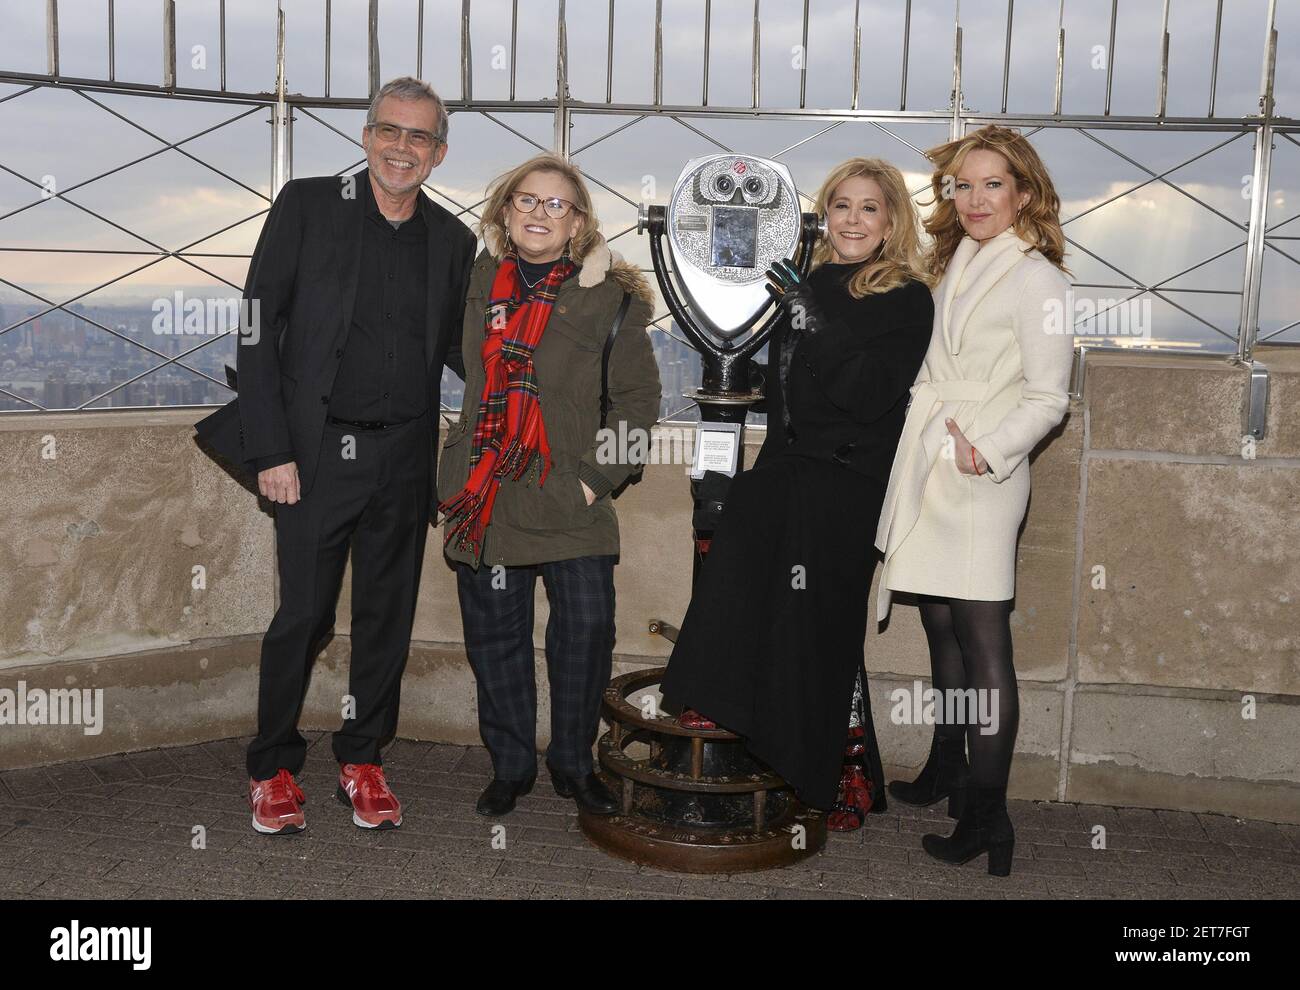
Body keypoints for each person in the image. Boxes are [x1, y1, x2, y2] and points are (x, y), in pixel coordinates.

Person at [195, 77, 476, 835]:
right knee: (303, 617)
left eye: (420, 138)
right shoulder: (308, 206)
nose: (402, 147)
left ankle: (362, 758)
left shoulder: (454, 241)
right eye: (390, 130)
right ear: (366, 135)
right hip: (313, 455)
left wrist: (542, 374)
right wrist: (271, 451)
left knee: (388, 618)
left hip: (404, 460)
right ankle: (274, 767)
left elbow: (461, 350)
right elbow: (257, 329)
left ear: (439, 153)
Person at [658, 158, 935, 822]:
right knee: (759, 603)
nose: (853, 220)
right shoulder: (805, 286)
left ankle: (832, 779)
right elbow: (786, 383)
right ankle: (725, 713)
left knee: (822, 631)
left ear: (892, 220)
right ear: (822, 216)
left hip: (844, 482)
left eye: (870, 208)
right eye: (841, 206)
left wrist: (806, 312)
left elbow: (864, 393)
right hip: (788, 473)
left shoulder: (906, 297)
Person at [436, 153, 662, 818]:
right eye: (526, 201)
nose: (539, 213)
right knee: (495, 639)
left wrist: (594, 483)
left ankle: (572, 762)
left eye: (555, 204)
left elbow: (638, 402)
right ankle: (510, 766)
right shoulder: (474, 283)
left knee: (586, 630)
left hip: (570, 496)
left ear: (579, 222)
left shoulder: (608, 298)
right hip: (490, 493)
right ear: (505, 212)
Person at [875, 125, 1074, 876]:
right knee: (941, 626)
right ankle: (948, 767)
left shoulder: (1040, 280)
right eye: (964, 184)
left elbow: (1050, 397)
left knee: (985, 640)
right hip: (934, 458)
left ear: (1024, 192)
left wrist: (983, 449)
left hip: (982, 470)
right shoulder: (954, 258)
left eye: (994, 184)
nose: (977, 198)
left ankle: (989, 814)